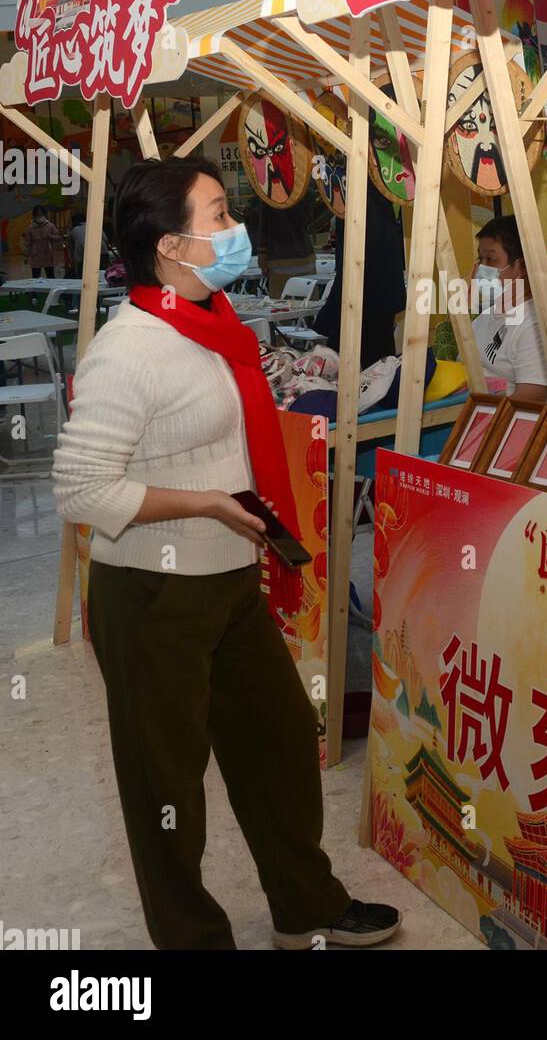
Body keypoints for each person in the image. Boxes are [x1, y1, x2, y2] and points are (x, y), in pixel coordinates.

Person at [52, 155, 400, 951]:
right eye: (218, 215)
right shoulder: (131, 347)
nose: (236, 228)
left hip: (232, 579)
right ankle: (191, 938)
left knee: (277, 748)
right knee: (165, 788)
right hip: (152, 595)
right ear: (172, 246)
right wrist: (203, 501)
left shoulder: (210, 326)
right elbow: (79, 488)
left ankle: (305, 904)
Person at [471, 214, 547, 403]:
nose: (482, 268)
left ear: (521, 266)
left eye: (490, 259)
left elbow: (530, 400)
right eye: (480, 259)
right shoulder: (487, 315)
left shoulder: (537, 326)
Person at [315, 178, 406, 368]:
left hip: (365, 300)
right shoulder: (379, 194)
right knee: (378, 369)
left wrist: (332, 313)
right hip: (377, 298)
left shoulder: (358, 198)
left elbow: (358, 259)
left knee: (361, 368)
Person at [22, 204, 64, 278]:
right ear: (34, 216)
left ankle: (51, 289)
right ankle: (36, 289)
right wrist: (26, 256)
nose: (39, 216)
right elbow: (27, 243)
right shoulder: (31, 228)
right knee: (36, 277)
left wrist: (51, 236)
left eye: (41, 214)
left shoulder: (50, 225)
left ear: (44, 214)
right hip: (35, 255)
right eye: (37, 214)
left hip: (47, 253)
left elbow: (58, 237)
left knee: (50, 276)